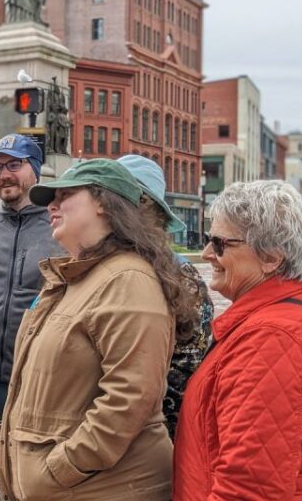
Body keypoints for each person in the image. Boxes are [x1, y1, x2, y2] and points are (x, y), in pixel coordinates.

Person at [0, 158, 191, 500]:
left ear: (103, 203)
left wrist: (61, 467)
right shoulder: (76, 278)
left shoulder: (128, 279)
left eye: (65, 195)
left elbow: (129, 398)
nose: (51, 206)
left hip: (103, 488)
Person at [173, 180, 302, 500]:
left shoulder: (271, 339)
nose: (206, 254)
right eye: (208, 241)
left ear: (271, 258)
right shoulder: (273, 323)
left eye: (220, 244)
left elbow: (249, 487)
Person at [0, 134, 64, 501]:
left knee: (31, 488)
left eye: (14, 165)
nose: (4, 174)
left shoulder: (61, 230)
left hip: (39, 384)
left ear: (35, 170)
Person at [117, 154, 214, 439]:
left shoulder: (182, 275)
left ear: (145, 206)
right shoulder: (99, 264)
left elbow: (187, 370)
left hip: (152, 436)